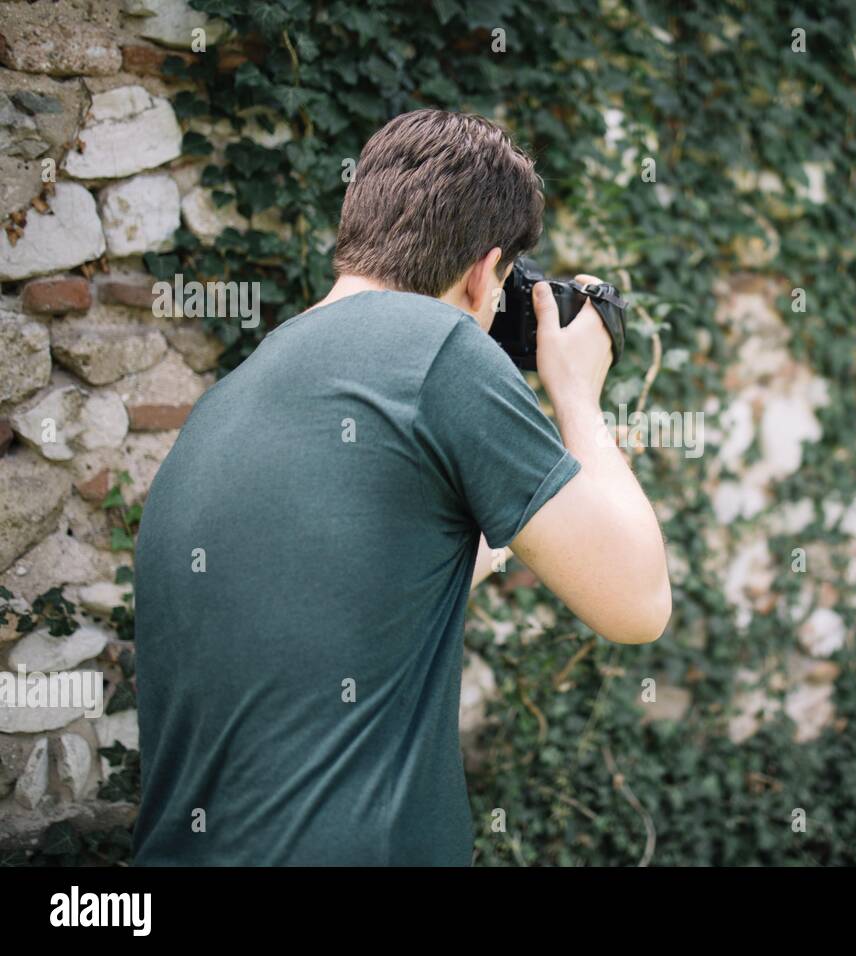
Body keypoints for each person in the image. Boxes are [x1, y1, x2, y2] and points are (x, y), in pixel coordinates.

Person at [132, 110, 672, 865]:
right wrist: (575, 393)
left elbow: (382, 577)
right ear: (486, 271)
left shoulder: (236, 391)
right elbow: (638, 605)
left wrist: (512, 516)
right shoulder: (443, 348)